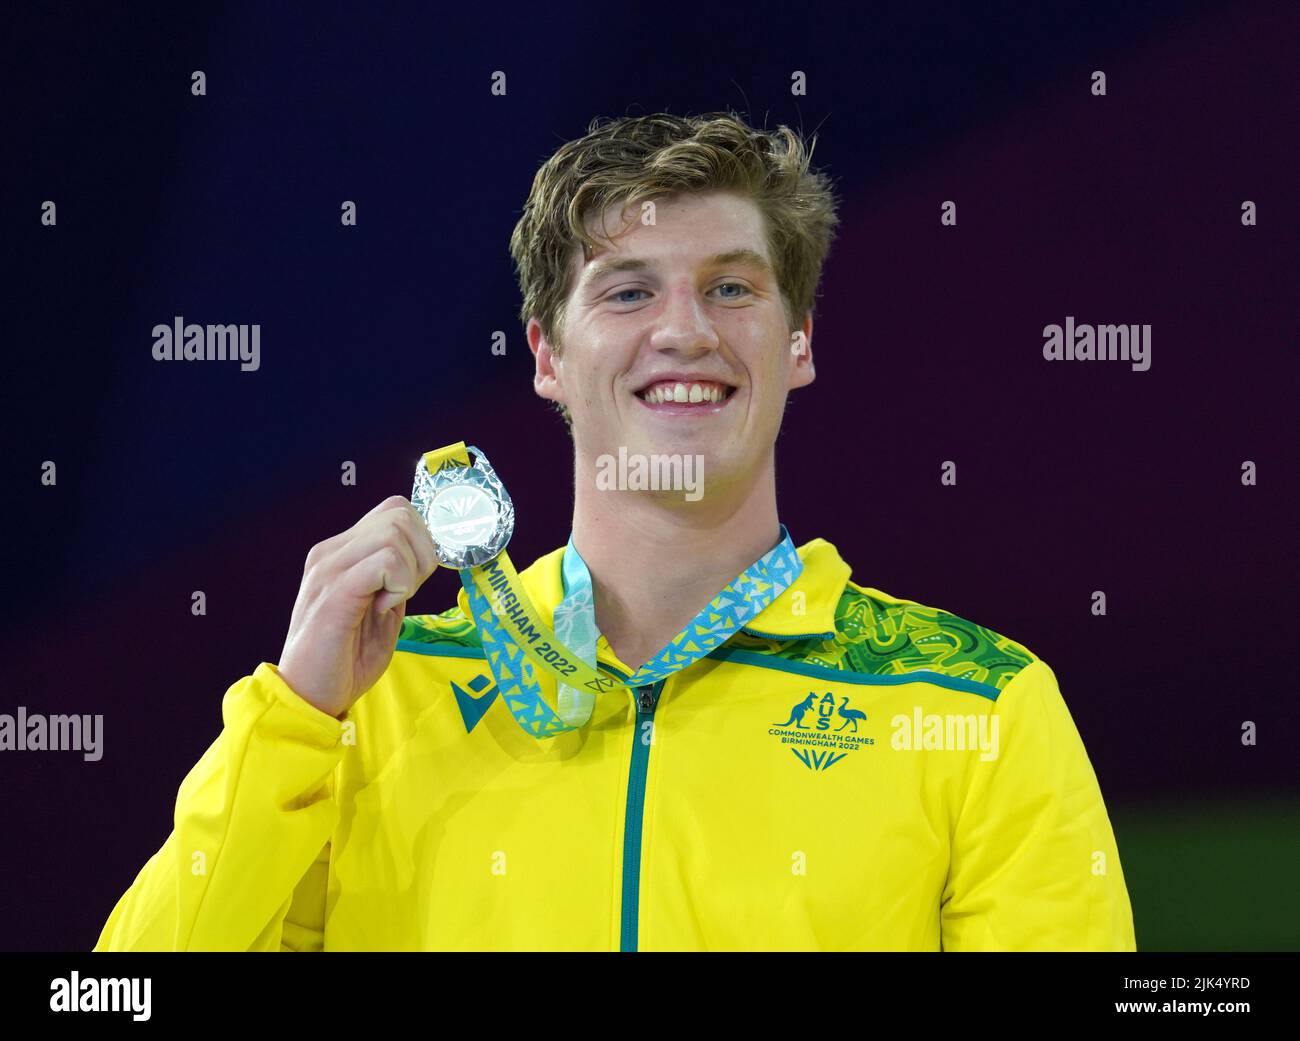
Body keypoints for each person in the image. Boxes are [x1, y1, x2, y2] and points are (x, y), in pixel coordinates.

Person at [94, 111, 1135, 952]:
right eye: (628, 292)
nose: (684, 329)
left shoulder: (975, 705)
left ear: (800, 343)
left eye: (731, 288)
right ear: (546, 356)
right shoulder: (375, 695)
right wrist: (295, 718)